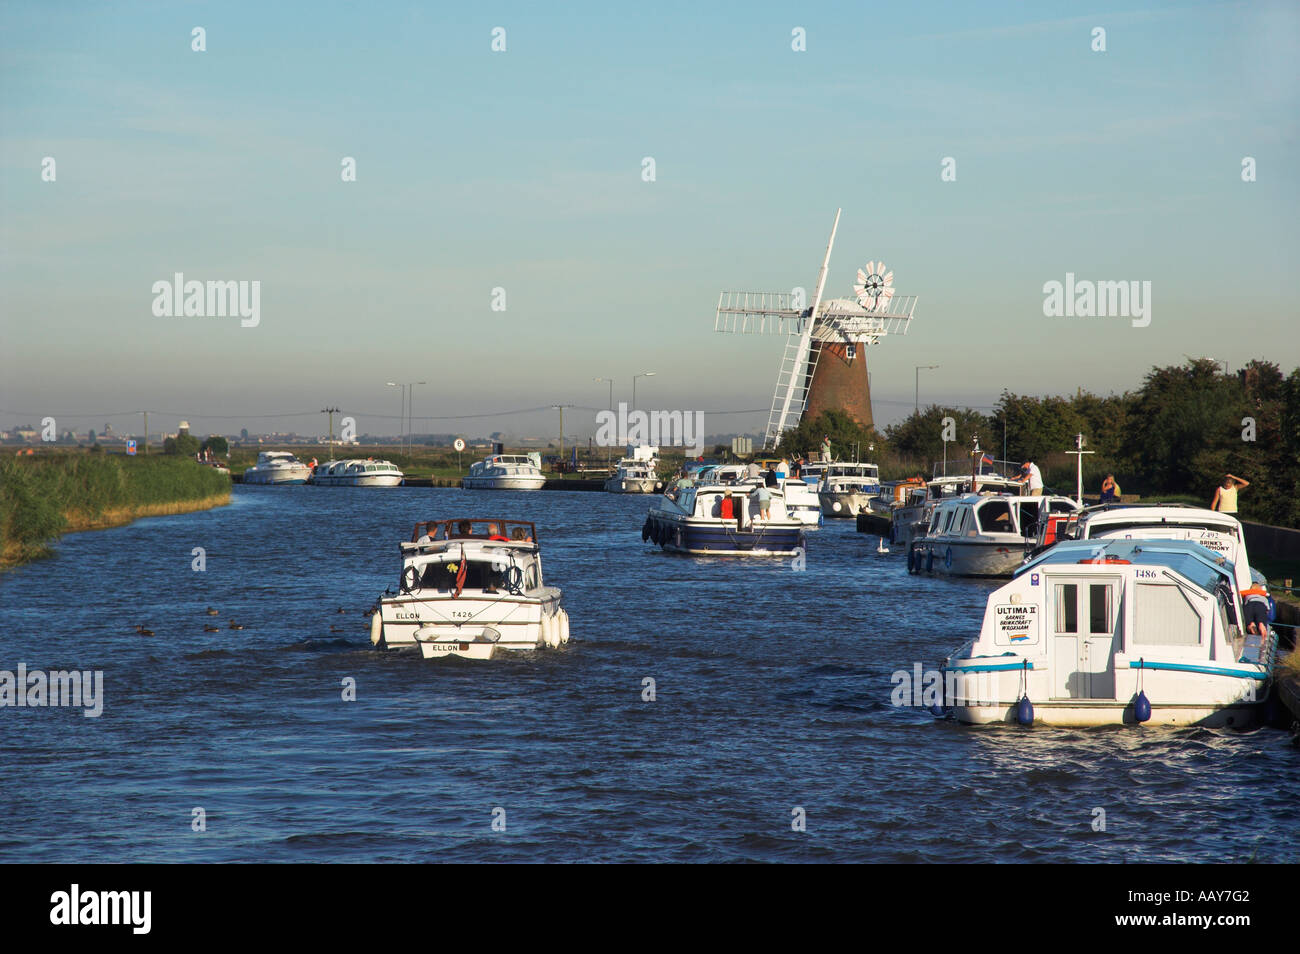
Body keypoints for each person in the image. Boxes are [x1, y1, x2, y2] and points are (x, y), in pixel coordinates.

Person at [1240, 570, 1271, 638]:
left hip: (1249, 604)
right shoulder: (1263, 597)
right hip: (1260, 605)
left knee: (1249, 622)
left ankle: (1251, 625)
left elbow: (1244, 602)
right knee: (1261, 621)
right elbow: (1267, 609)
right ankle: (1261, 625)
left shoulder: (1247, 595)